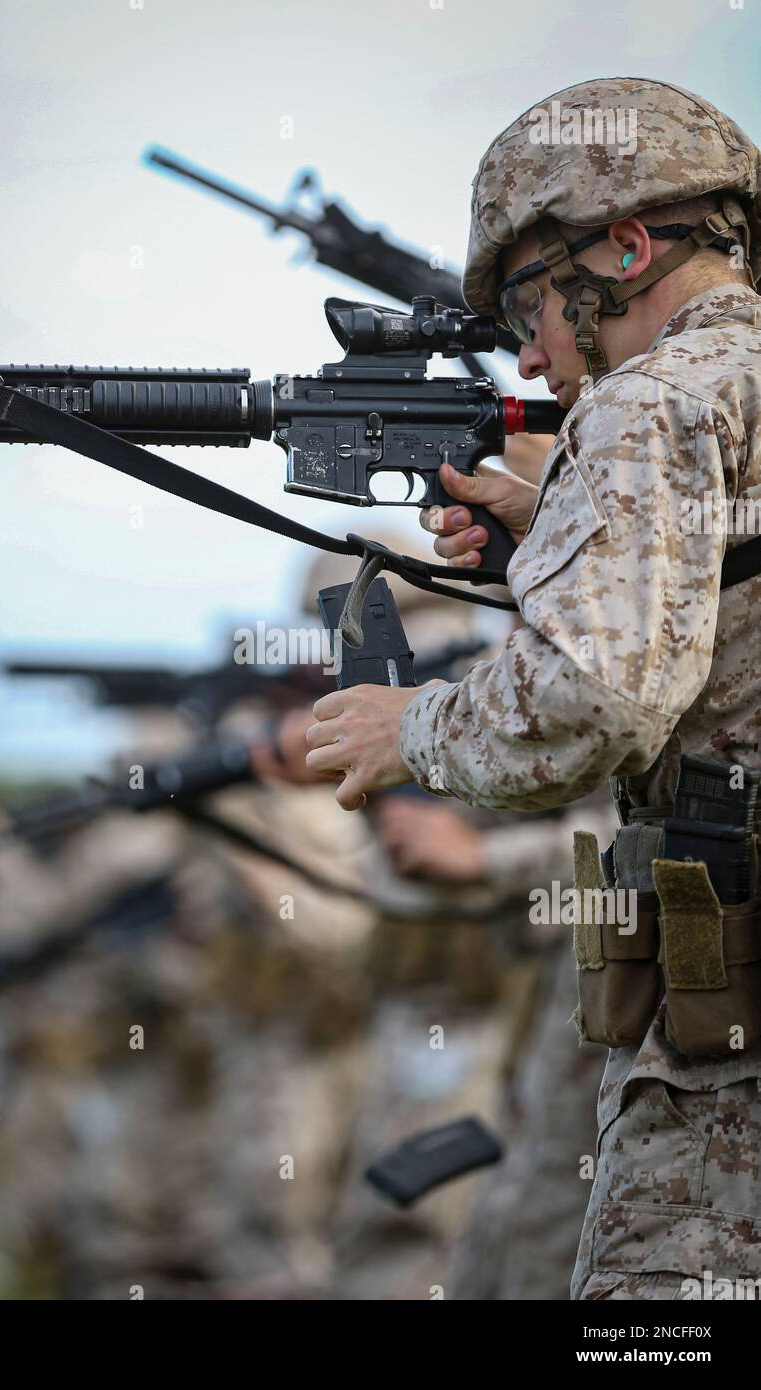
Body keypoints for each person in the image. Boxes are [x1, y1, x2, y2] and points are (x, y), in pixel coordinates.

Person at [305, 76, 761, 1300]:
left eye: (528, 298)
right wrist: (550, 541)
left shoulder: (646, 405)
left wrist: (416, 727)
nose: (525, 349)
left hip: (727, 1076)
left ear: (626, 246)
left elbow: (594, 706)